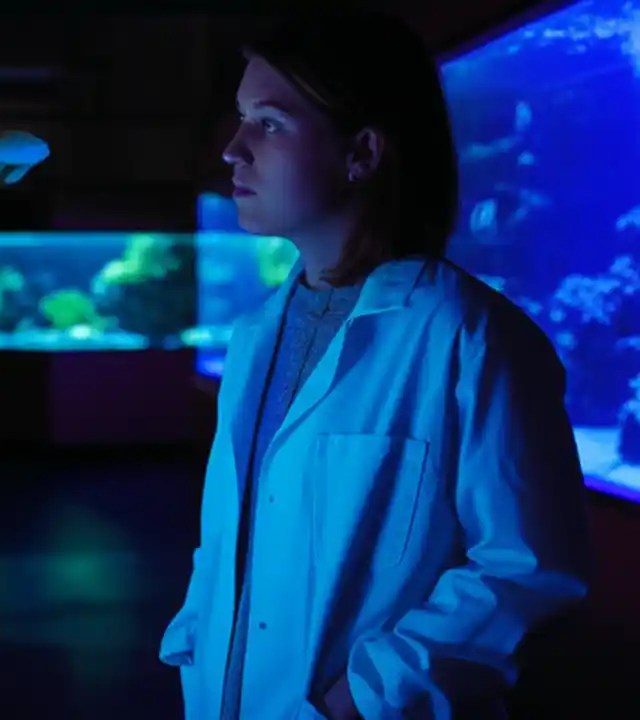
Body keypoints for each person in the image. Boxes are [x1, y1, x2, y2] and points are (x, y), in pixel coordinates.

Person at [159, 7, 592, 719]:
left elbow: (528, 569)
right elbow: (232, 542)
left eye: (269, 123)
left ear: (360, 152)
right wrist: (197, 644)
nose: (233, 149)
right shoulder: (252, 336)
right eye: (240, 118)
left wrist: (360, 700)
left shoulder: (471, 336)